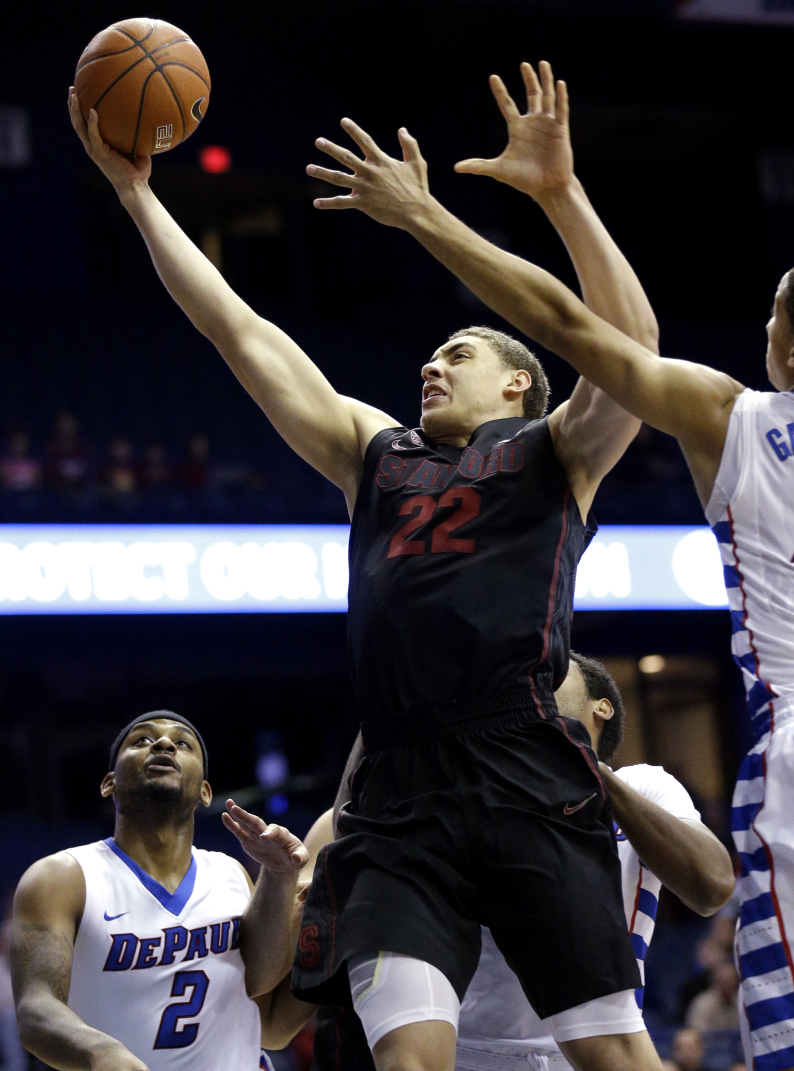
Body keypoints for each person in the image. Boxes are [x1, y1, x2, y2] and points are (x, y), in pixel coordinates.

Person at [300, 59, 794, 1071]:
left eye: (771, 320)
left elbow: (579, 330)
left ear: (792, 352)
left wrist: (448, 213)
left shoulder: (734, 415)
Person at [68, 60, 661, 1071]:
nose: (430, 363)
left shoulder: (560, 450)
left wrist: (561, 196)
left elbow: (631, 341)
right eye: (428, 353)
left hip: (523, 765)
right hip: (394, 787)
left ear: (521, 381)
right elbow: (238, 328)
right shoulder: (373, 452)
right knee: (408, 1061)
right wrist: (136, 194)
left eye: (459, 353)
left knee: (614, 1059)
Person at [259, 652, 735, 1071]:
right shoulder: (437, 804)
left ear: (601, 707)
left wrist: (586, 774)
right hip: (466, 1054)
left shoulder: (644, 787)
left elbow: (712, 887)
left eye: (546, 673)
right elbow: (276, 1025)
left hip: (602, 1049)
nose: (525, 687)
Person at [10, 710, 307, 1070]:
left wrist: (278, 875)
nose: (164, 744)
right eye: (142, 741)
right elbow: (35, 1008)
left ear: (205, 791)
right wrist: (99, 1051)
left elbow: (258, 982)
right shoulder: (61, 879)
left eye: (182, 744)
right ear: (109, 783)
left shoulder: (230, 873)